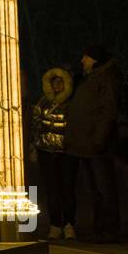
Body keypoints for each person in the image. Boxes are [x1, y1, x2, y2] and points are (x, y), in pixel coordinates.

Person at [64, 44, 123, 242]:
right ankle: (100, 229)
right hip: (87, 144)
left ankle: (109, 230)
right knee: (96, 190)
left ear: (95, 59)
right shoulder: (93, 78)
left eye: (86, 57)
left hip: (96, 145)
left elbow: (108, 111)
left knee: (103, 189)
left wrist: (99, 139)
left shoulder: (105, 78)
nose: (83, 60)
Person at [31, 66, 76, 240]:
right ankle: (55, 225)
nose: (57, 85)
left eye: (60, 81)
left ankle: (70, 224)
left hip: (67, 153)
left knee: (67, 189)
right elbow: (35, 125)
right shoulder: (42, 102)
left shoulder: (73, 103)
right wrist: (34, 147)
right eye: (54, 81)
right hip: (46, 152)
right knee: (52, 190)